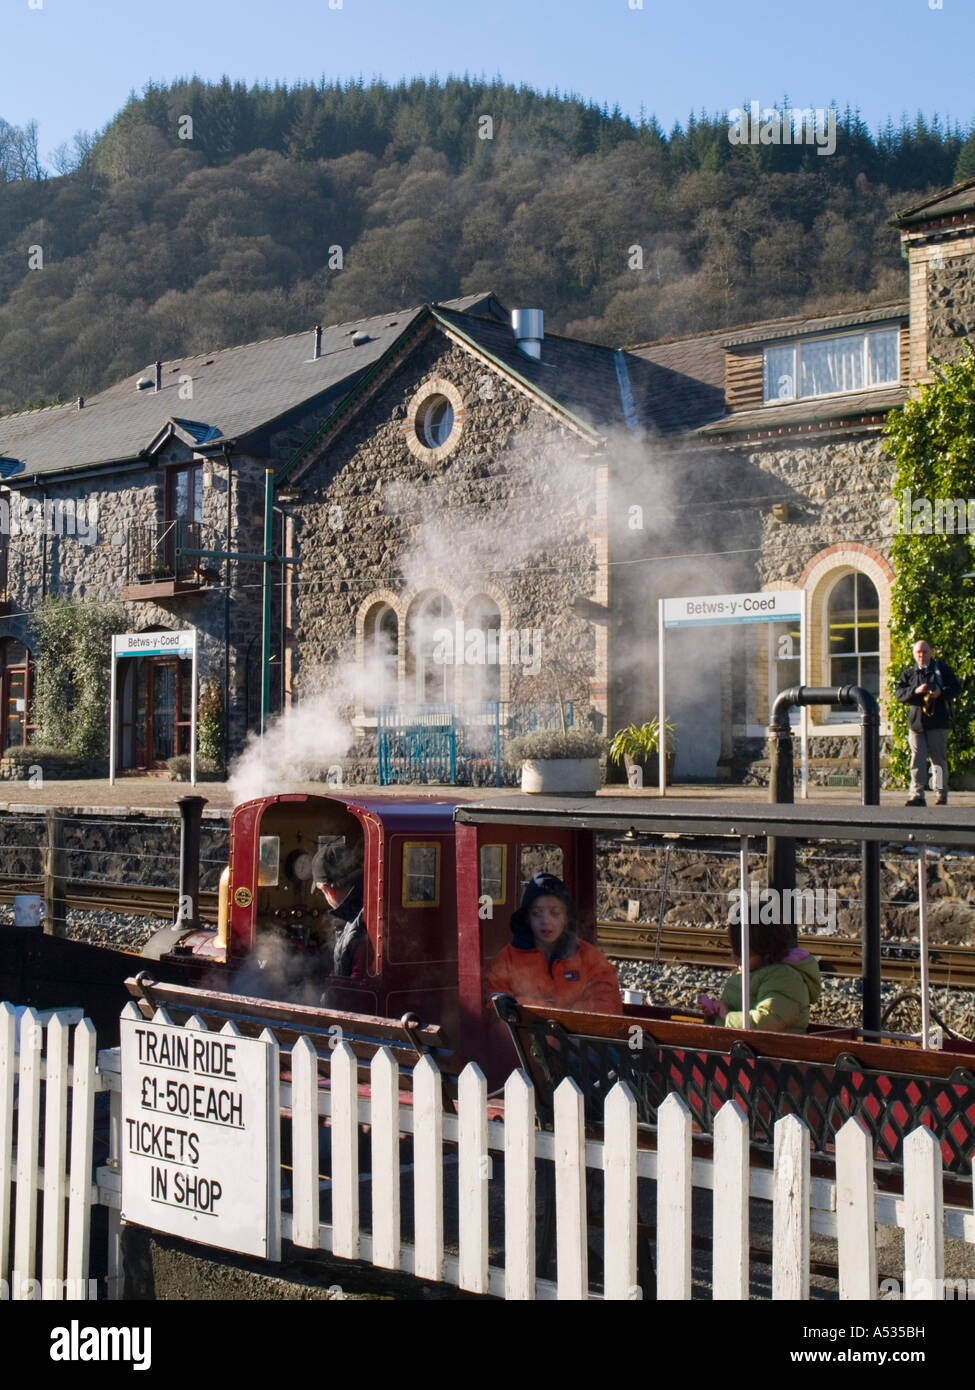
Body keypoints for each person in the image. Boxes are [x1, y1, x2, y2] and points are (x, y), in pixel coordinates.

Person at [486, 872, 623, 1015]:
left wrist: (568, 1020)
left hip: (577, 1037)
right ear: (526, 917)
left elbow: (607, 1002)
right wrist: (500, 1001)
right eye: (537, 913)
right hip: (522, 1037)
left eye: (555, 912)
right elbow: (492, 996)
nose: (546, 921)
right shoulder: (506, 959)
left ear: (566, 916)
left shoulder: (590, 957)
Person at [699, 919, 820, 1033]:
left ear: (765, 953)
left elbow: (767, 1021)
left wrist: (726, 1016)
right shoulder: (755, 970)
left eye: (740, 952)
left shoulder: (784, 978)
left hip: (771, 1049)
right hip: (743, 1044)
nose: (733, 956)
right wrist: (715, 1012)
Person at [895, 639, 962, 807]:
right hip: (917, 724)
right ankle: (917, 795)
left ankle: (940, 794)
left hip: (937, 723)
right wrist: (916, 690)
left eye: (925, 652)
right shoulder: (909, 674)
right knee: (917, 760)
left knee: (938, 760)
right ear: (914, 654)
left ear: (931, 653)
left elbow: (956, 688)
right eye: (918, 652)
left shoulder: (942, 670)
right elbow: (899, 694)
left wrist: (940, 692)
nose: (922, 655)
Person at [311, 837, 367, 980]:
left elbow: (354, 988)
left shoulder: (358, 928)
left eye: (321, 891)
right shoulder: (360, 914)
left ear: (328, 890)